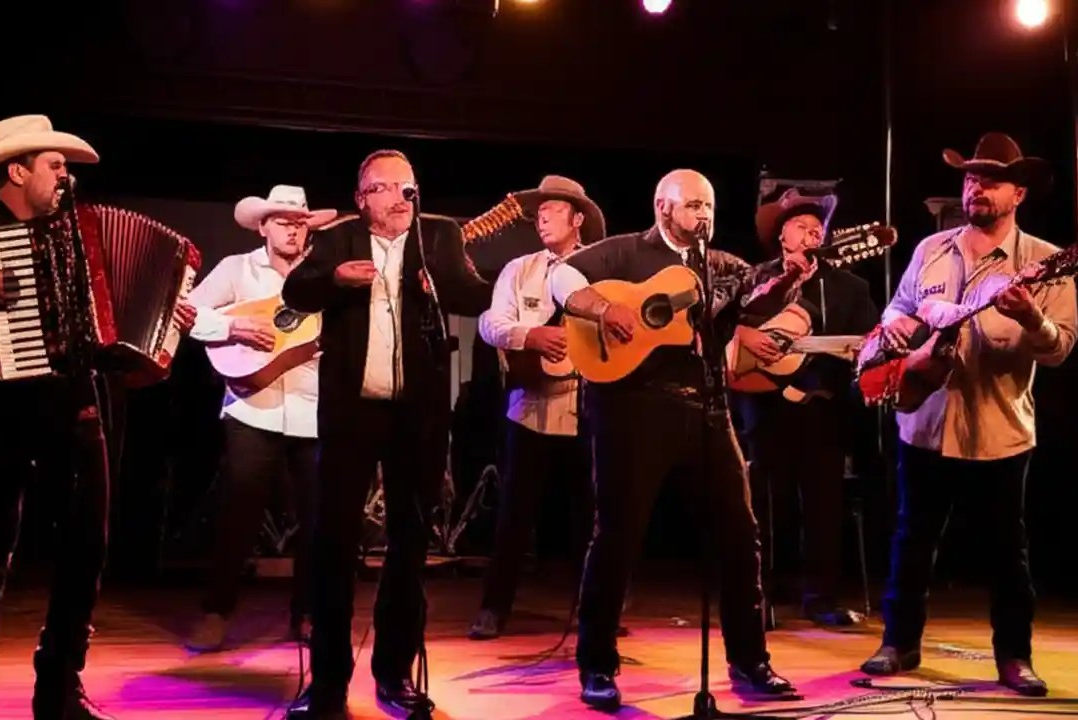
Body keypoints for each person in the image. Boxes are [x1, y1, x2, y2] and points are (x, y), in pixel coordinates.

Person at [548, 169, 799, 710]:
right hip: (631, 407)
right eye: (694, 206)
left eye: (709, 206)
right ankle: (597, 664)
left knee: (740, 533)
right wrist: (604, 308)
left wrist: (785, 281)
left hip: (707, 406)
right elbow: (562, 277)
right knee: (618, 535)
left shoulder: (724, 267)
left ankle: (750, 659)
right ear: (663, 207)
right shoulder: (624, 253)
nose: (704, 215)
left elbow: (754, 310)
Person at [858, 132, 1078, 697]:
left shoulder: (1046, 262)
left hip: (1000, 429)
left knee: (1007, 553)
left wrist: (1030, 318)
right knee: (911, 540)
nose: (976, 188)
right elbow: (899, 308)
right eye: (971, 179)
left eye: (991, 181)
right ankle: (898, 643)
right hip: (925, 419)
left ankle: (1015, 656)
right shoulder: (931, 249)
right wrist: (899, 326)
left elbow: (1060, 349)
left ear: (1018, 194)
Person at [279, 149, 492, 718]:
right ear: (361, 198)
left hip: (417, 416)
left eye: (407, 186)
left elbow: (475, 297)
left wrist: (443, 281)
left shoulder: (438, 237)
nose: (400, 197)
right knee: (334, 543)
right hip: (351, 412)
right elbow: (296, 292)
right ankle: (327, 682)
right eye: (385, 188)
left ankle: (394, 673)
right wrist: (336, 280)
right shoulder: (340, 240)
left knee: (410, 541)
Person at [0, 114, 115, 720]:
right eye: (54, 164)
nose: (65, 175)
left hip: (74, 406)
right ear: (17, 171)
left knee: (86, 546)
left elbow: (106, 326)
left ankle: (59, 685)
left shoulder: (78, 236)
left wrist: (162, 328)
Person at [177, 185, 337, 652]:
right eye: (282, 221)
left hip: (314, 407)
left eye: (299, 222)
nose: (292, 230)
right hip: (251, 407)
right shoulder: (237, 269)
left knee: (318, 518)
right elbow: (184, 312)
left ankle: (307, 613)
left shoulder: (324, 274)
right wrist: (232, 326)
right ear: (263, 227)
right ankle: (216, 611)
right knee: (238, 514)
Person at [468, 175, 605, 640]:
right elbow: (491, 323)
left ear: (577, 218)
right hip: (528, 410)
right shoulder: (519, 269)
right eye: (539, 212)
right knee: (513, 515)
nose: (542, 218)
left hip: (588, 411)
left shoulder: (602, 271)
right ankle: (494, 607)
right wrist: (531, 336)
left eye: (553, 210)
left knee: (591, 518)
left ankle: (595, 612)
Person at [734, 188, 879, 627]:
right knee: (764, 503)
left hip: (821, 408)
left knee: (823, 504)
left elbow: (870, 341)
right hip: (764, 405)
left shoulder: (850, 288)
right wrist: (744, 335)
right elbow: (726, 327)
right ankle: (758, 596)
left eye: (817, 228)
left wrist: (861, 352)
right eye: (800, 226)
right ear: (782, 236)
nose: (811, 232)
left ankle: (821, 599)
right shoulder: (752, 279)